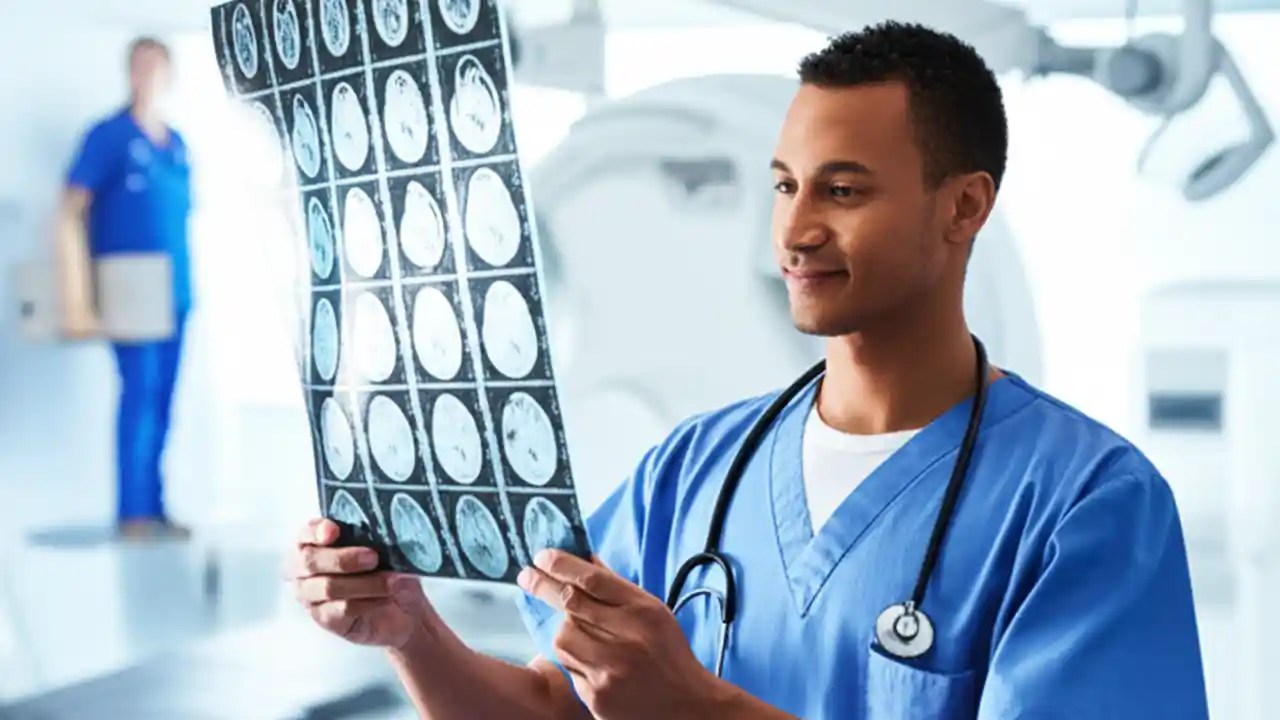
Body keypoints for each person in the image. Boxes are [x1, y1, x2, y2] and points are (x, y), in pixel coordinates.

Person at [287, 22, 1209, 719]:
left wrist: (702, 708)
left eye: (842, 190)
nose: (796, 229)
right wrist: (411, 632)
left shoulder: (1086, 505)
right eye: (783, 185)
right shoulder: (693, 468)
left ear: (963, 207)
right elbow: (557, 705)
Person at [58, 36, 194, 541]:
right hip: (128, 292)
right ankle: (133, 513)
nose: (147, 77)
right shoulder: (108, 136)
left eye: (156, 68)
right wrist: (78, 297)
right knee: (139, 395)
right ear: (128, 72)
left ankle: (156, 508)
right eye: (139, 67)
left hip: (177, 292)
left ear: (169, 76)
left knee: (164, 401)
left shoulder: (177, 143)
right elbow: (70, 210)